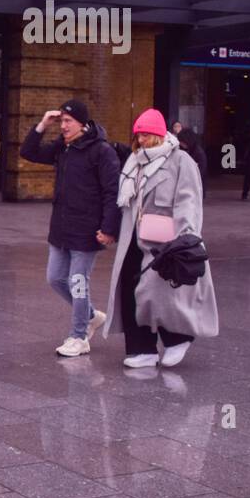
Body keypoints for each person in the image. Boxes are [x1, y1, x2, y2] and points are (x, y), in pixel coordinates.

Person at [104, 110, 218, 369]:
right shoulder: (134, 161)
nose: (141, 140)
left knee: (161, 293)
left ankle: (178, 338)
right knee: (130, 292)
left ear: (158, 134)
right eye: (138, 135)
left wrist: (187, 236)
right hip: (133, 237)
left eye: (146, 134)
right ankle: (141, 349)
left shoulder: (181, 161)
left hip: (166, 239)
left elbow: (189, 200)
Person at [20, 98, 121, 357]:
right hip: (61, 228)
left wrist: (109, 228)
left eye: (68, 121)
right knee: (55, 278)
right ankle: (91, 315)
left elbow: (112, 191)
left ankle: (79, 337)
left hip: (87, 229)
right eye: (61, 121)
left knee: (78, 282)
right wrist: (43, 123)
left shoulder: (101, 151)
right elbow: (28, 152)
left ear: (82, 124)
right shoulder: (63, 148)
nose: (63, 126)